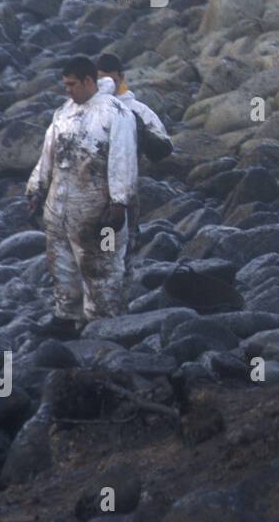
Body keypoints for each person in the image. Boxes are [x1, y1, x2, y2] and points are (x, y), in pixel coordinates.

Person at [26, 56, 137, 337]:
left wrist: (119, 202)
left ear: (89, 81)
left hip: (94, 207)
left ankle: (103, 325)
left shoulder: (116, 113)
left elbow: (122, 159)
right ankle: (66, 317)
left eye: (72, 84)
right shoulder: (63, 112)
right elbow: (48, 154)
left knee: (100, 266)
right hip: (58, 206)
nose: (68, 90)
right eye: (65, 85)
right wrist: (36, 189)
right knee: (60, 262)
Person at [96, 53, 172, 283]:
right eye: (100, 80)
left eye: (110, 79)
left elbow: (163, 149)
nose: (106, 85)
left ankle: (118, 286)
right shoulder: (86, 110)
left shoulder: (138, 110)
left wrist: (142, 133)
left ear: (121, 77)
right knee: (94, 243)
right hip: (89, 189)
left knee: (119, 240)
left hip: (123, 189)